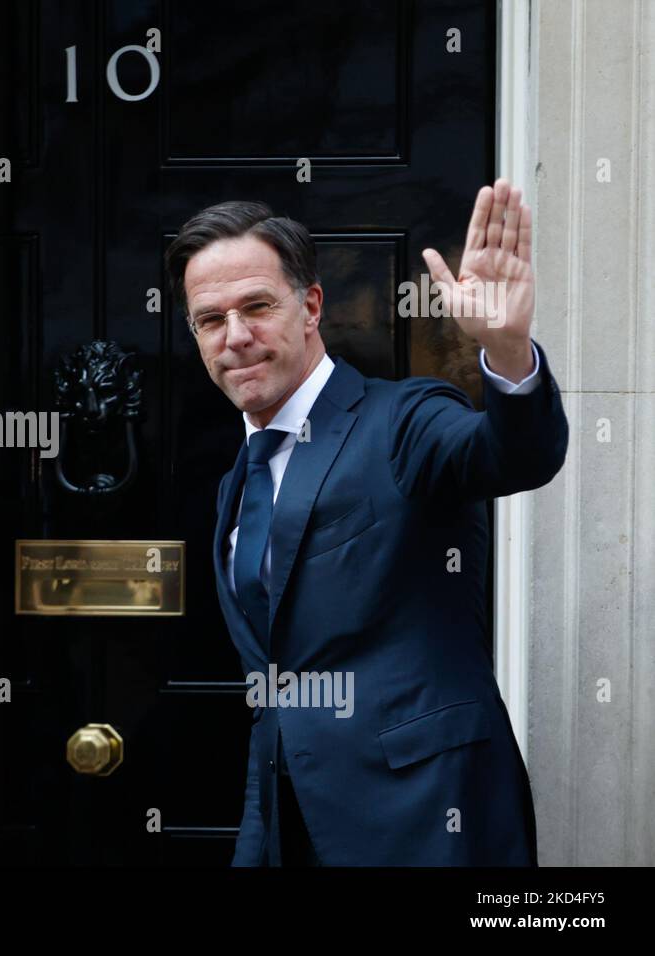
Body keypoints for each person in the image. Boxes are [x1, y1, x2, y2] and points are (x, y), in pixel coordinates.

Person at [165, 180, 568, 865]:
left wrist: (506, 350)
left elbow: (514, 455)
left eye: (258, 306)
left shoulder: (402, 421)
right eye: (210, 319)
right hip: (285, 822)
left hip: (423, 815)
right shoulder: (239, 479)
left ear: (311, 305)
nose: (235, 337)